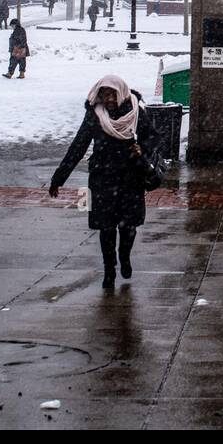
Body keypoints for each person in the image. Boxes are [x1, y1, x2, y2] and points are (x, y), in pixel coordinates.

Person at [49, 76, 153, 289]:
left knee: (128, 226)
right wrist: (59, 178)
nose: (109, 100)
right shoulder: (94, 116)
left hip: (131, 177)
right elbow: (78, 146)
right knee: (106, 228)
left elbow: (153, 138)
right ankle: (109, 268)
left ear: (121, 94)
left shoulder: (135, 113)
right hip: (102, 178)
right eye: (105, 95)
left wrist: (142, 148)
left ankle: (124, 256)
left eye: (113, 94)